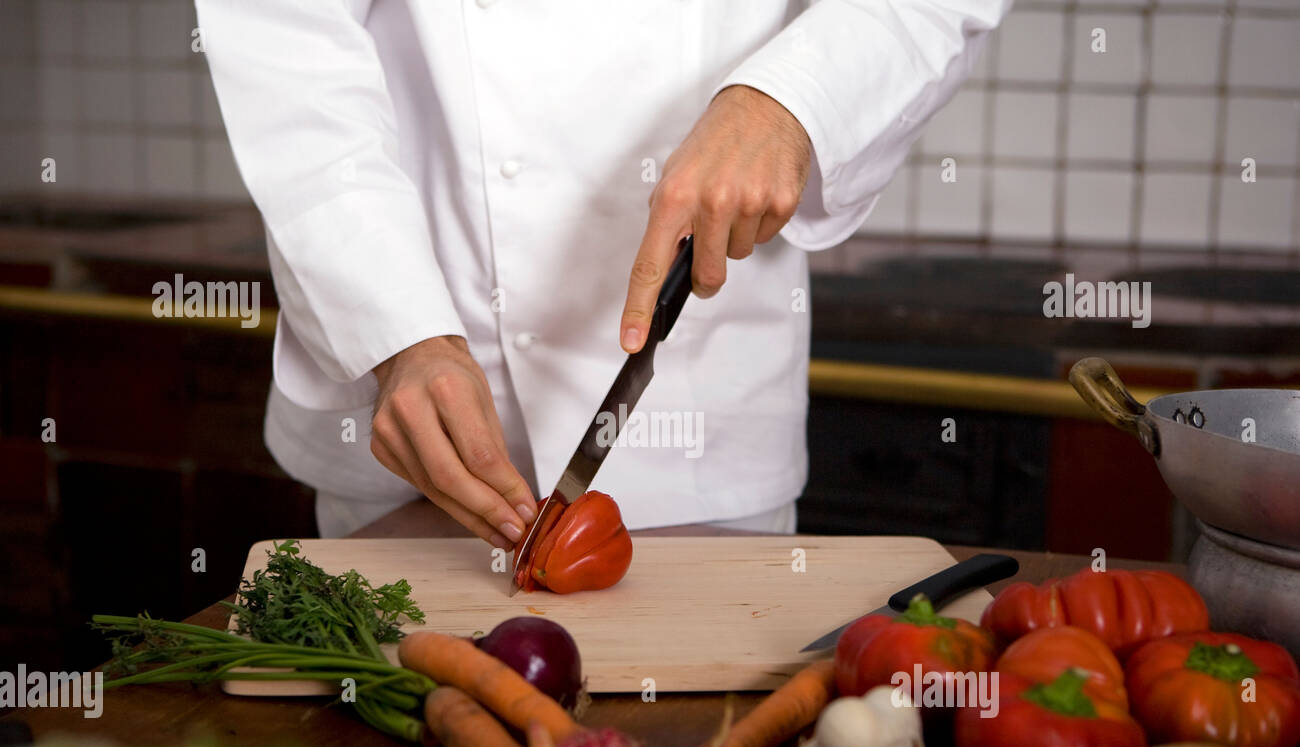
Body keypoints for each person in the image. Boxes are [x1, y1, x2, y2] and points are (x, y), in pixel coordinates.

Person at [197, 0, 1010, 541]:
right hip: (406, 414)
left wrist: (793, 101)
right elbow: (291, 55)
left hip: (701, 415)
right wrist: (396, 328)